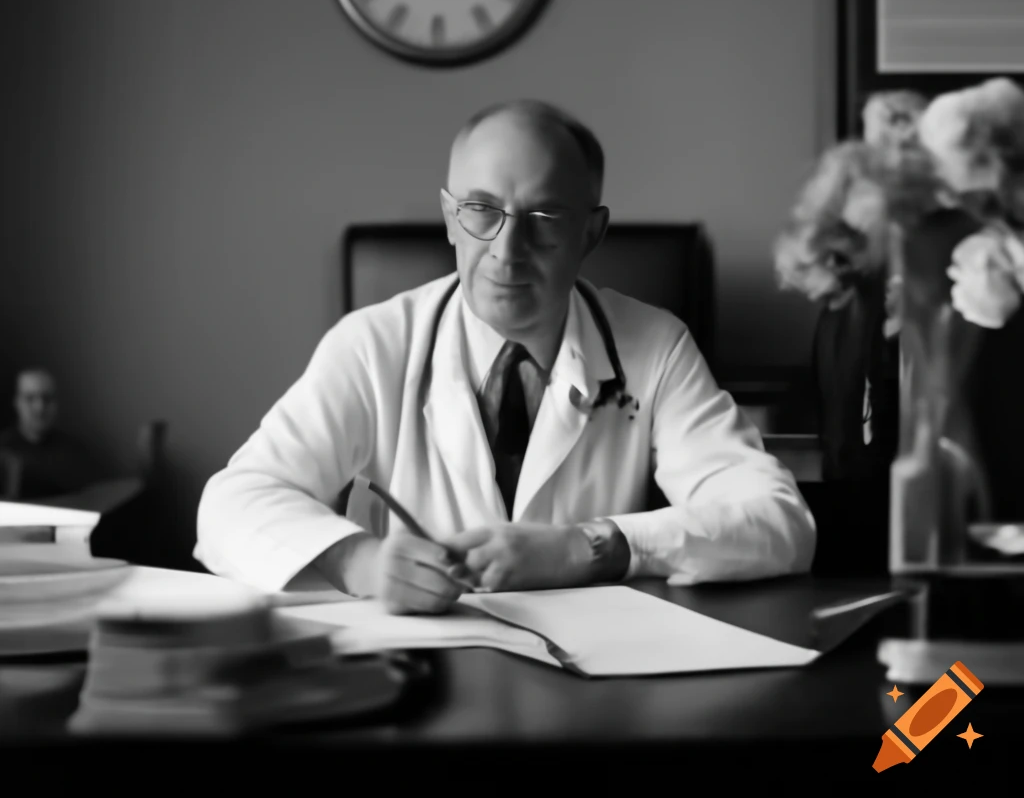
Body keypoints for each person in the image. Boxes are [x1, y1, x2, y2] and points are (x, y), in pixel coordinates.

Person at [195, 101, 816, 612]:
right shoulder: (373, 344)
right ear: (450, 218)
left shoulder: (655, 347)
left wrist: (587, 548)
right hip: (419, 666)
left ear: (590, 234)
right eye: (481, 211)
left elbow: (778, 522)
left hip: (593, 685)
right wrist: (360, 562)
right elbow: (230, 504)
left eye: (544, 217)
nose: (507, 250)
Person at [0, 368, 102, 502]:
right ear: (16, 402)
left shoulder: (75, 452)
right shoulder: (3, 449)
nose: (40, 407)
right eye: (30, 398)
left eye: (47, 398)